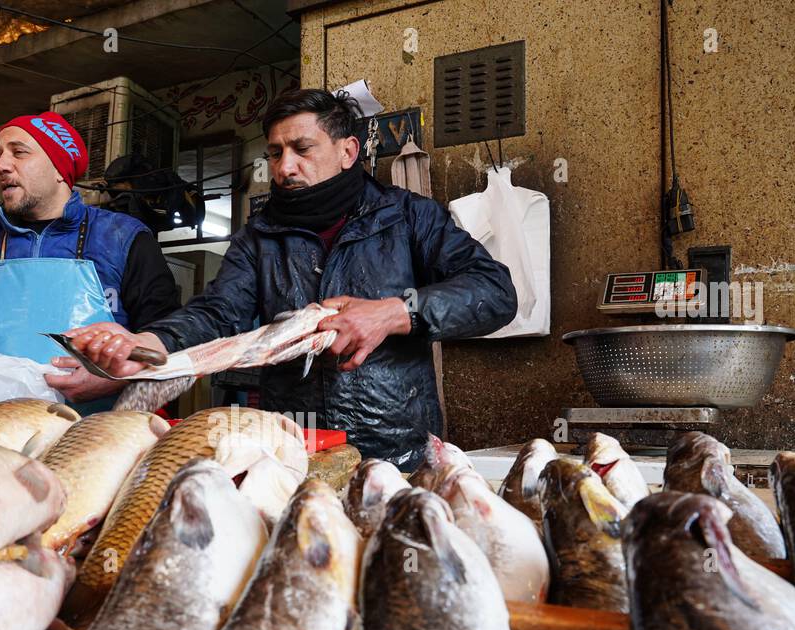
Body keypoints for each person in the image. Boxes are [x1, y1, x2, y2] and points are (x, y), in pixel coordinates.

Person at [56, 89, 519, 468]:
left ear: (347, 151)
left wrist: (396, 313)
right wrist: (152, 345)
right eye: (275, 153)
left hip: (398, 452)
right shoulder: (260, 237)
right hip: (291, 448)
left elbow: (495, 292)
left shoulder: (409, 216)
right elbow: (218, 312)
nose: (284, 167)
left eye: (302, 149)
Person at [0, 111, 181, 407]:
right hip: (1, 432)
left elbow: (170, 343)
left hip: (100, 436)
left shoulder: (123, 237)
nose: (0, 165)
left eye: (18, 153)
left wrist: (113, 378)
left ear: (60, 168)